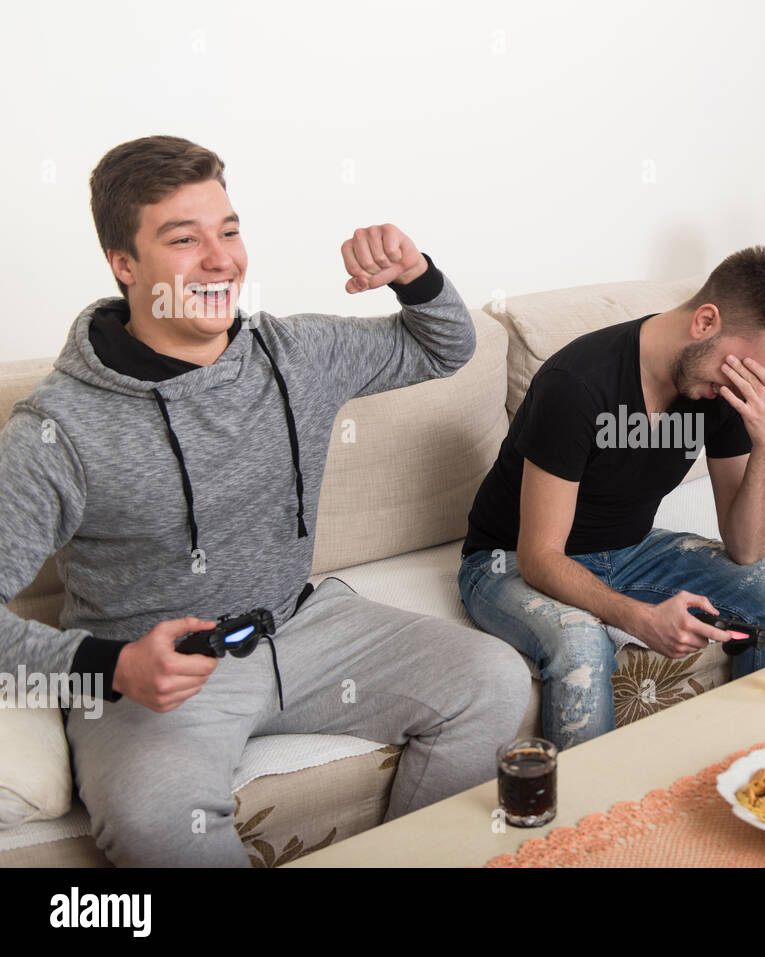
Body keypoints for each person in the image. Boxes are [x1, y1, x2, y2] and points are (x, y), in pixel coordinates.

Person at [0, 136, 530, 866]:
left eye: (229, 230)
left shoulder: (294, 353)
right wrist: (111, 665)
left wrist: (413, 274)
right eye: (184, 239)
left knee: (494, 680)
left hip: (304, 625)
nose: (221, 259)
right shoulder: (59, 428)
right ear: (124, 265)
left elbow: (443, 346)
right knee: (157, 816)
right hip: (160, 678)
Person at [458, 247, 765, 750]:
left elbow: (747, 549)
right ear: (704, 321)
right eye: (740, 372)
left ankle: (753, 770)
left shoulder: (720, 390)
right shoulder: (578, 383)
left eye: (760, 381)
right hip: (507, 562)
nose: (740, 389)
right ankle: (588, 826)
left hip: (629, 548)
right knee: (583, 645)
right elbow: (539, 557)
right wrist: (638, 617)